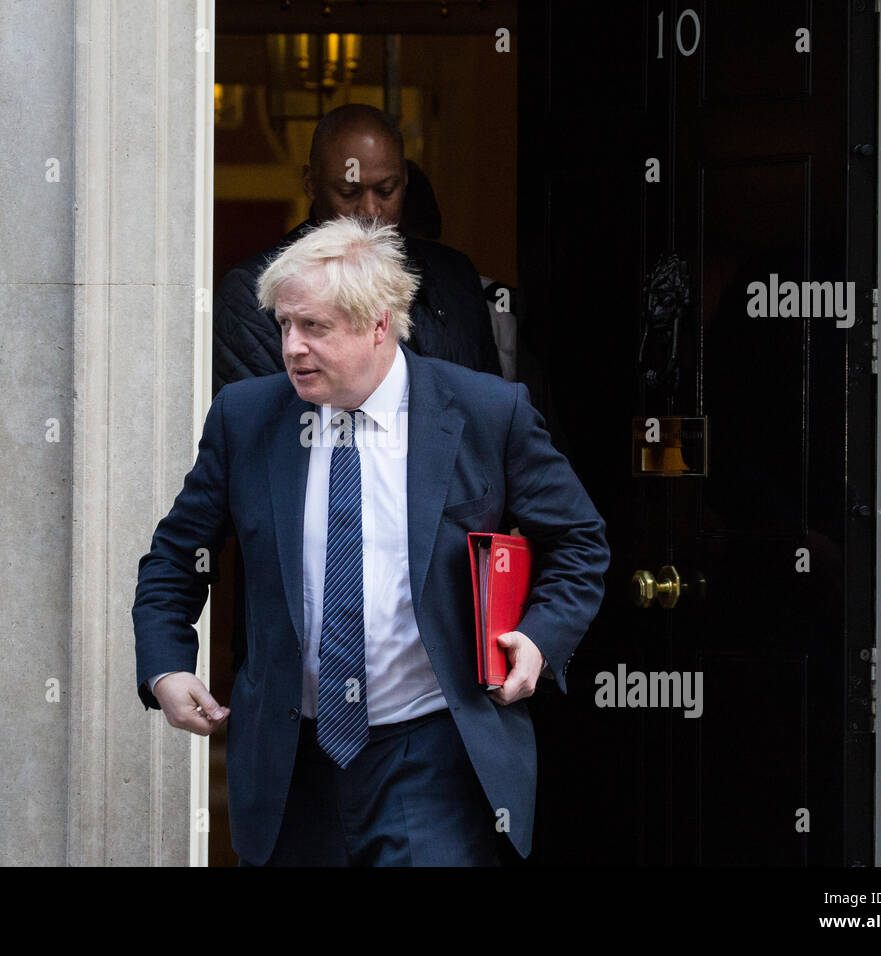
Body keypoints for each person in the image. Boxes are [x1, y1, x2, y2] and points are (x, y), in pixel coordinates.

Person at [133, 217, 609, 866]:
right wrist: (166, 666)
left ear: (379, 324)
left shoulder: (485, 411)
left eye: (315, 327)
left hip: (433, 754)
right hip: (292, 764)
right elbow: (176, 556)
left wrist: (538, 637)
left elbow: (579, 540)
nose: (292, 347)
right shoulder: (246, 417)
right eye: (284, 325)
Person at [212, 103, 501, 394]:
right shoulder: (252, 292)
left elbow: (489, 406)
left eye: (386, 191)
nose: (370, 210)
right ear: (311, 184)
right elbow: (259, 417)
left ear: (405, 179)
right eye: (349, 192)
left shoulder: (455, 276)